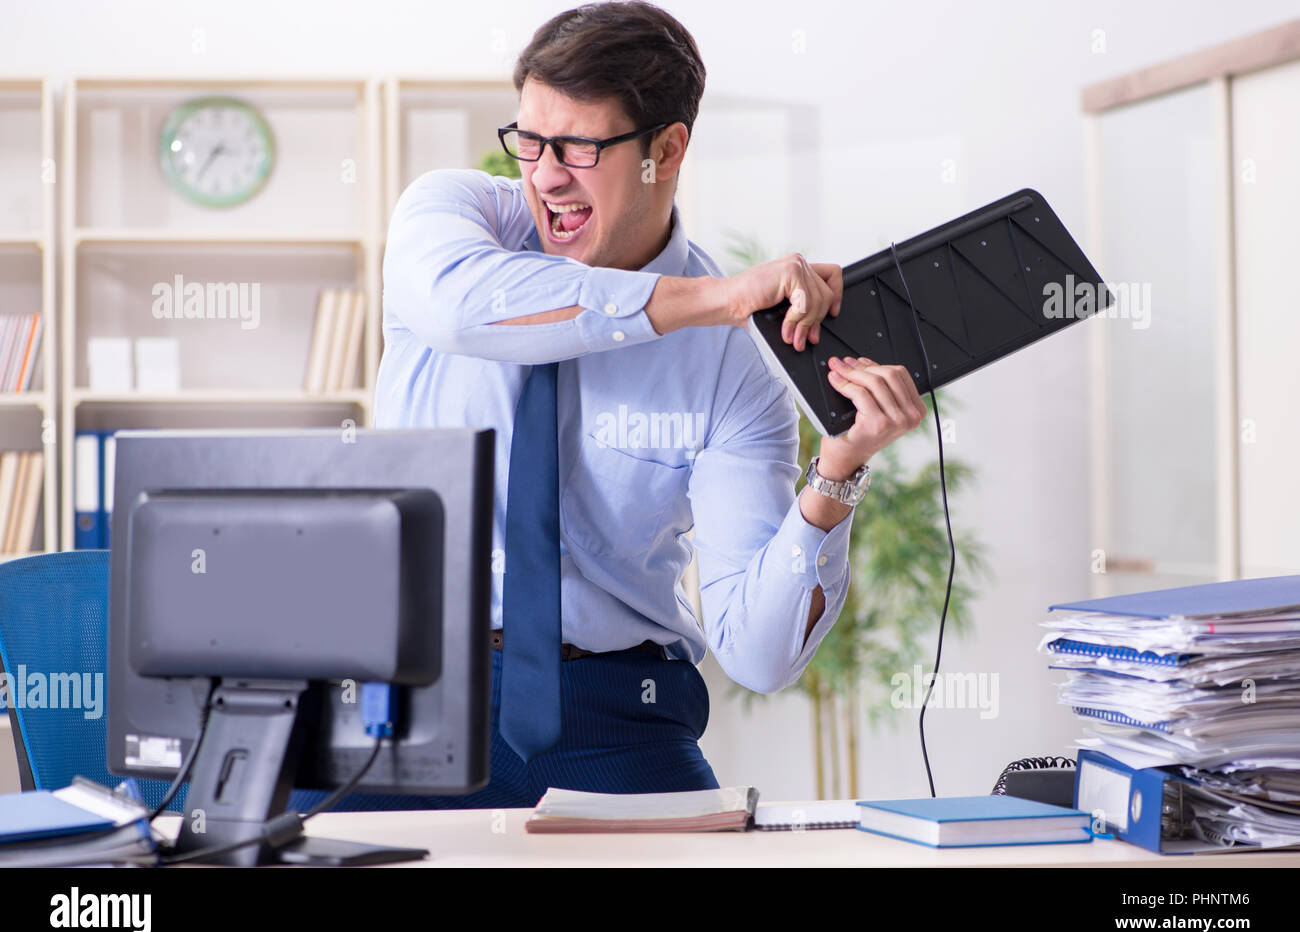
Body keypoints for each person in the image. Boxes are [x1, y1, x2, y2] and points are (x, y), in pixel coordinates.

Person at [371, 1, 927, 808]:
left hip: (617, 715)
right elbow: (460, 313)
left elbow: (759, 655)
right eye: (529, 140)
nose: (544, 173)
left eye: (579, 146)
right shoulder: (454, 221)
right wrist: (720, 296)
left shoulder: (733, 364)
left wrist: (838, 467)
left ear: (666, 151)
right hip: (407, 695)